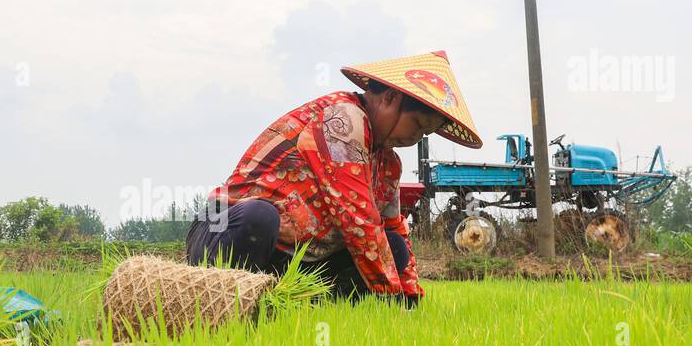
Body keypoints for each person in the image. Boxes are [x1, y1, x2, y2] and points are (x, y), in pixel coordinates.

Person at [186, 50, 483, 306]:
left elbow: (393, 228)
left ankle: (307, 309)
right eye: (416, 124)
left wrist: (409, 296)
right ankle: (230, 304)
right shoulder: (343, 120)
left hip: (292, 259)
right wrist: (391, 294)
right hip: (228, 230)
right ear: (391, 97)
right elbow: (358, 219)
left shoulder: (388, 164)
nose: (415, 137)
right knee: (259, 217)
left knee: (395, 248)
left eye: (424, 132)